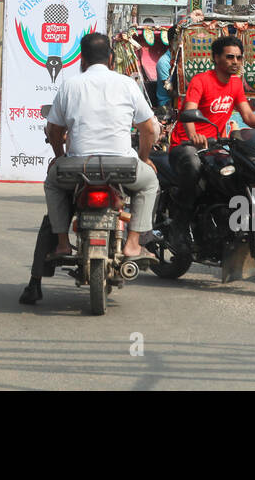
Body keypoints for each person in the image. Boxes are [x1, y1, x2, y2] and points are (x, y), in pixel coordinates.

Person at [19, 33, 160, 305]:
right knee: (150, 183)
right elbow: (148, 128)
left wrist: (59, 157)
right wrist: (143, 158)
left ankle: (61, 243)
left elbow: (54, 129)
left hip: (77, 168)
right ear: (111, 59)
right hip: (122, 166)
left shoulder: (70, 85)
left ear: (82, 60)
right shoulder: (127, 84)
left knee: (52, 187)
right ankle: (133, 243)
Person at [166, 35, 255, 233]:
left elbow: (247, 115)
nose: (235, 62)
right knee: (194, 167)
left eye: (239, 58)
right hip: (186, 145)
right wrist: (194, 136)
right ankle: (180, 221)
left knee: (242, 170)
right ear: (215, 57)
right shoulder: (201, 80)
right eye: (230, 57)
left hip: (216, 145)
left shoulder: (236, 84)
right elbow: (189, 111)